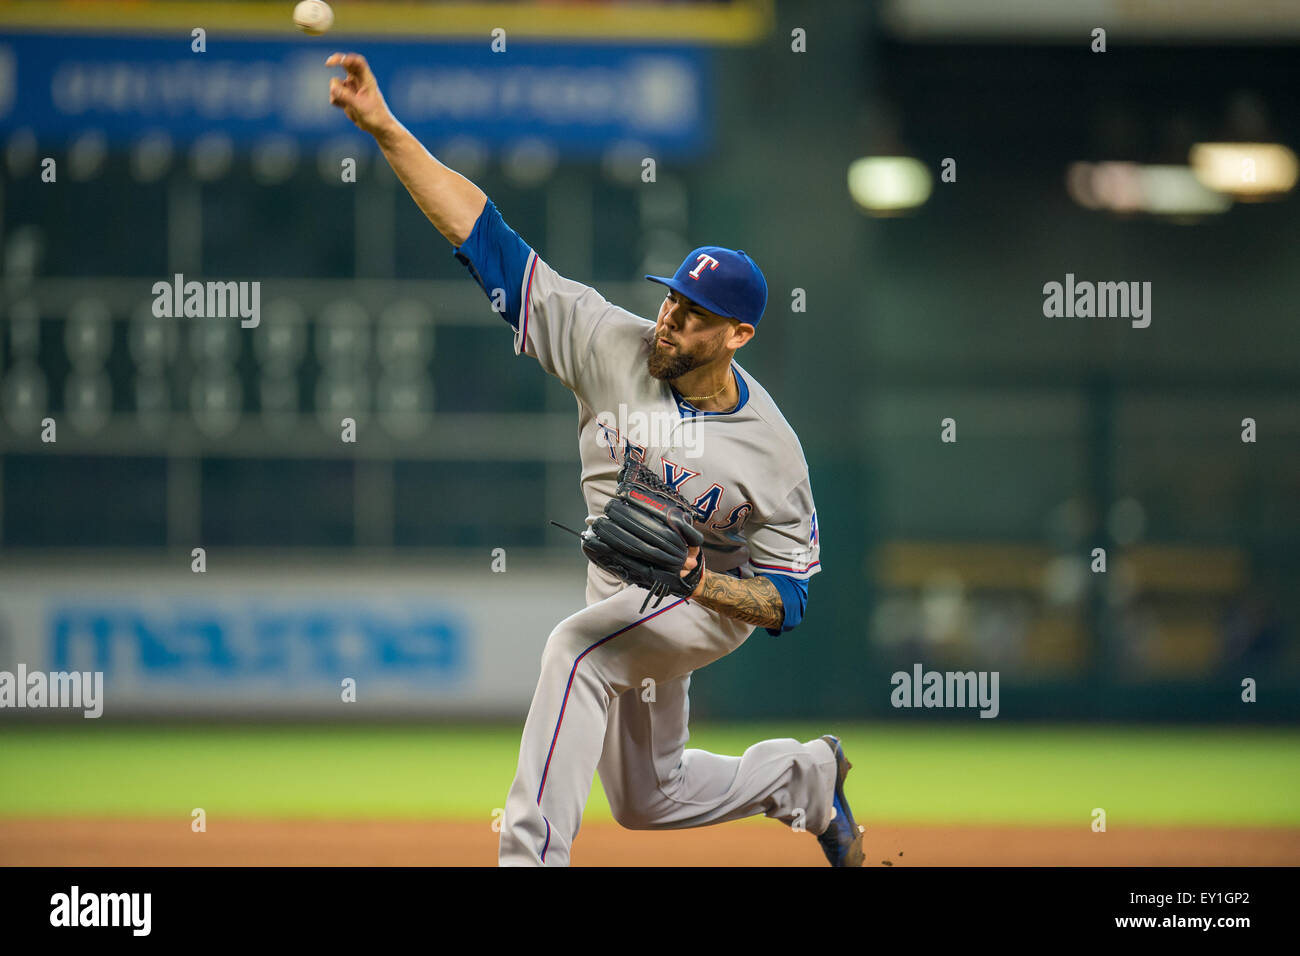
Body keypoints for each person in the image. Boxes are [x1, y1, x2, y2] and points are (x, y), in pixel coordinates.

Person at [327, 52, 863, 867]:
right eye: (672, 298)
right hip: (624, 588)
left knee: (575, 651)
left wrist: (700, 584)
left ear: (738, 336)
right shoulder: (610, 341)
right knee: (652, 798)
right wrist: (386, 129)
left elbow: (790, 601)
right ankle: (807, 779)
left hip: (705, 606)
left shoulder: (774, 451)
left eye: (696, 315)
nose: (671, 320)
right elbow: (486, 238)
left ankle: (528, 858)